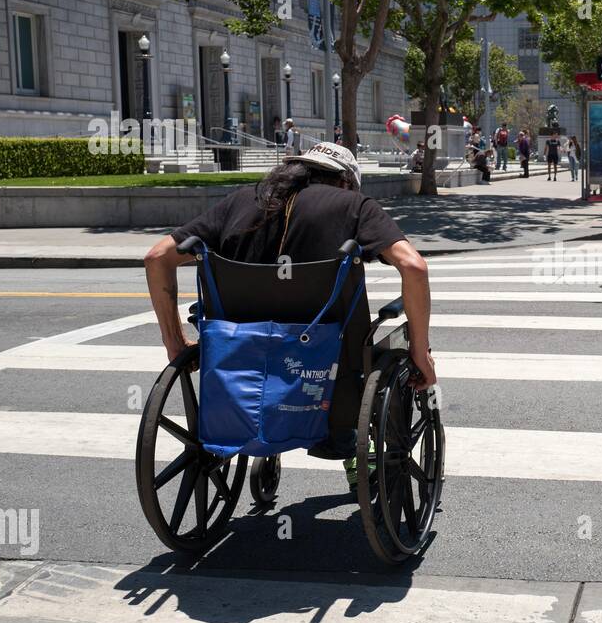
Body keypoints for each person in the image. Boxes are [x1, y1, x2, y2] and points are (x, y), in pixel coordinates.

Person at [143, 141, 435, 494]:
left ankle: (264, 434)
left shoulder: (239, 202)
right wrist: (421, 351)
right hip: (327, 373)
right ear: (344, 181)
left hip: (241, 364)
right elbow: (414, 267)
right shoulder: (354, 207)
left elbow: (157, 258)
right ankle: (355, 450)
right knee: (380, 341)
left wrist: (173, 343)